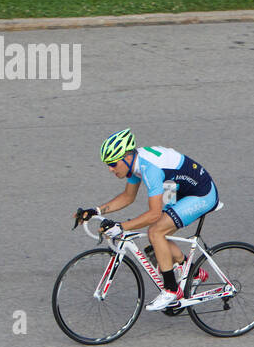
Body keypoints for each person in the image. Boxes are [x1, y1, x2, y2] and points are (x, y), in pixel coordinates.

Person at [75, 129, 218, 311]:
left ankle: (172, 290)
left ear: (126, 156)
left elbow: (154, 214)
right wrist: (96, 210)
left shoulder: (150, 169)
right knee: (158, 242)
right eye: (107, 165)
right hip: (174, 186)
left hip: (201, 194)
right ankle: (193, 273)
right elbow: (128, 197)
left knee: (155, 231)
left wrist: (121, 226)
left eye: (112, 164)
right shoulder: (134, 163)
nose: (110, 169)